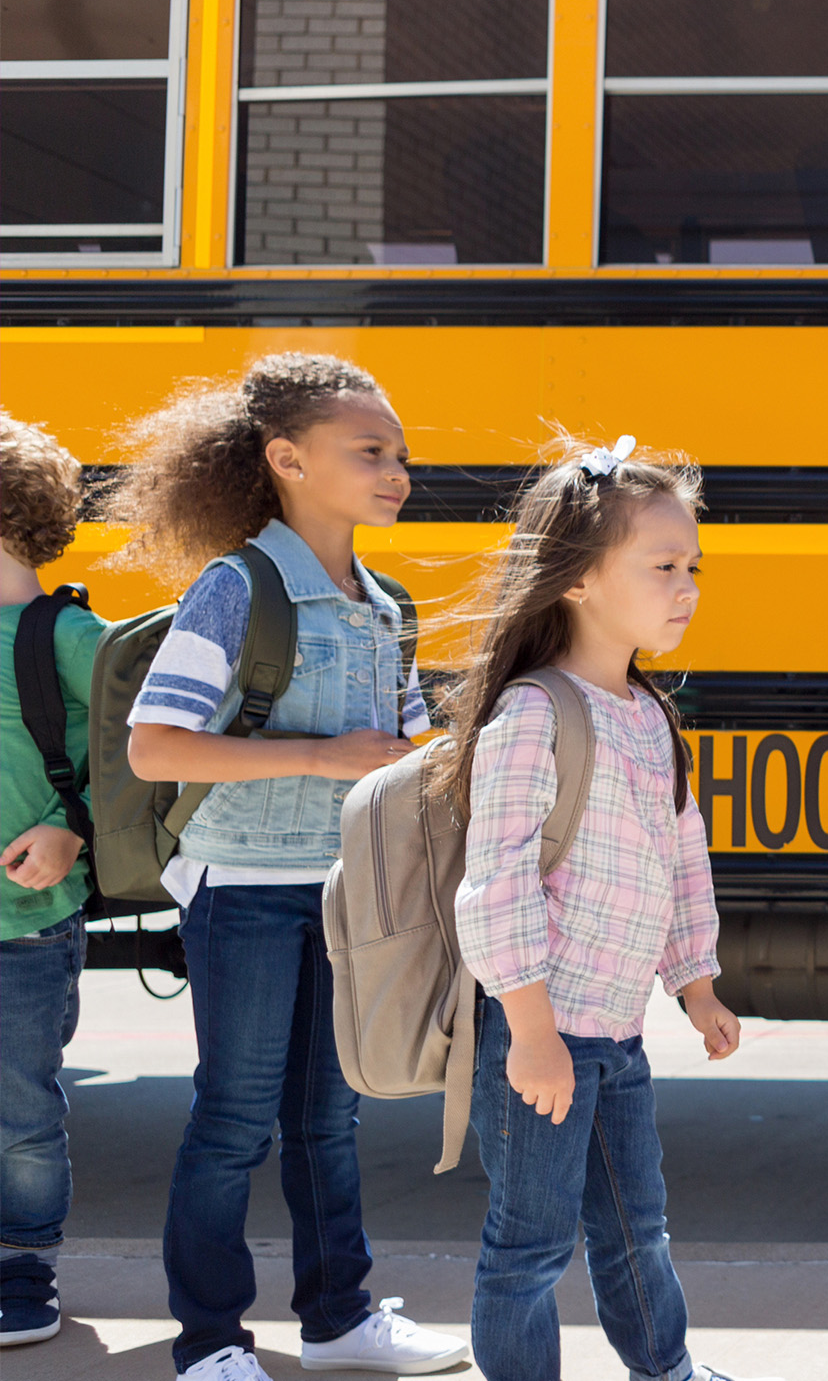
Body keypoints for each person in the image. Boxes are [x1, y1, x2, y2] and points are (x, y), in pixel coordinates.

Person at [109, 354, 466, 1380]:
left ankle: (339, 1320)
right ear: (286, 459)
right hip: (247, 893)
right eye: (370, 452)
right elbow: (154, 745)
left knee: (327, 1120)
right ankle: (211, 1343)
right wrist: (320, 754)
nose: (397, 471)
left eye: (400, 455)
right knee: (233, 1118)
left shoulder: (385, 603)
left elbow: (396, 749)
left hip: (347, 895)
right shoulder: (237, 586)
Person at [442, 436, 764, 1381]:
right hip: (542, 1040)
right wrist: (531, 1031)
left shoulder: (648, 712)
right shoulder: (534, 714)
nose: (687, 585)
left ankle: (664, 1368)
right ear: (577, 578)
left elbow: (679, 856)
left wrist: (695, 984)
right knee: (530, 1248)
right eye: (663, 566)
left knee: (637, 1231)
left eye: (692, 565)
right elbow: (495, 883)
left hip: (615, 1041)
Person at [0, 412, 102, 1349]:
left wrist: (72, 829)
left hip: (26, 921)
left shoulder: (65, 634)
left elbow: (139, 756)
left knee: (23, 1111)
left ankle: (23, 1270)